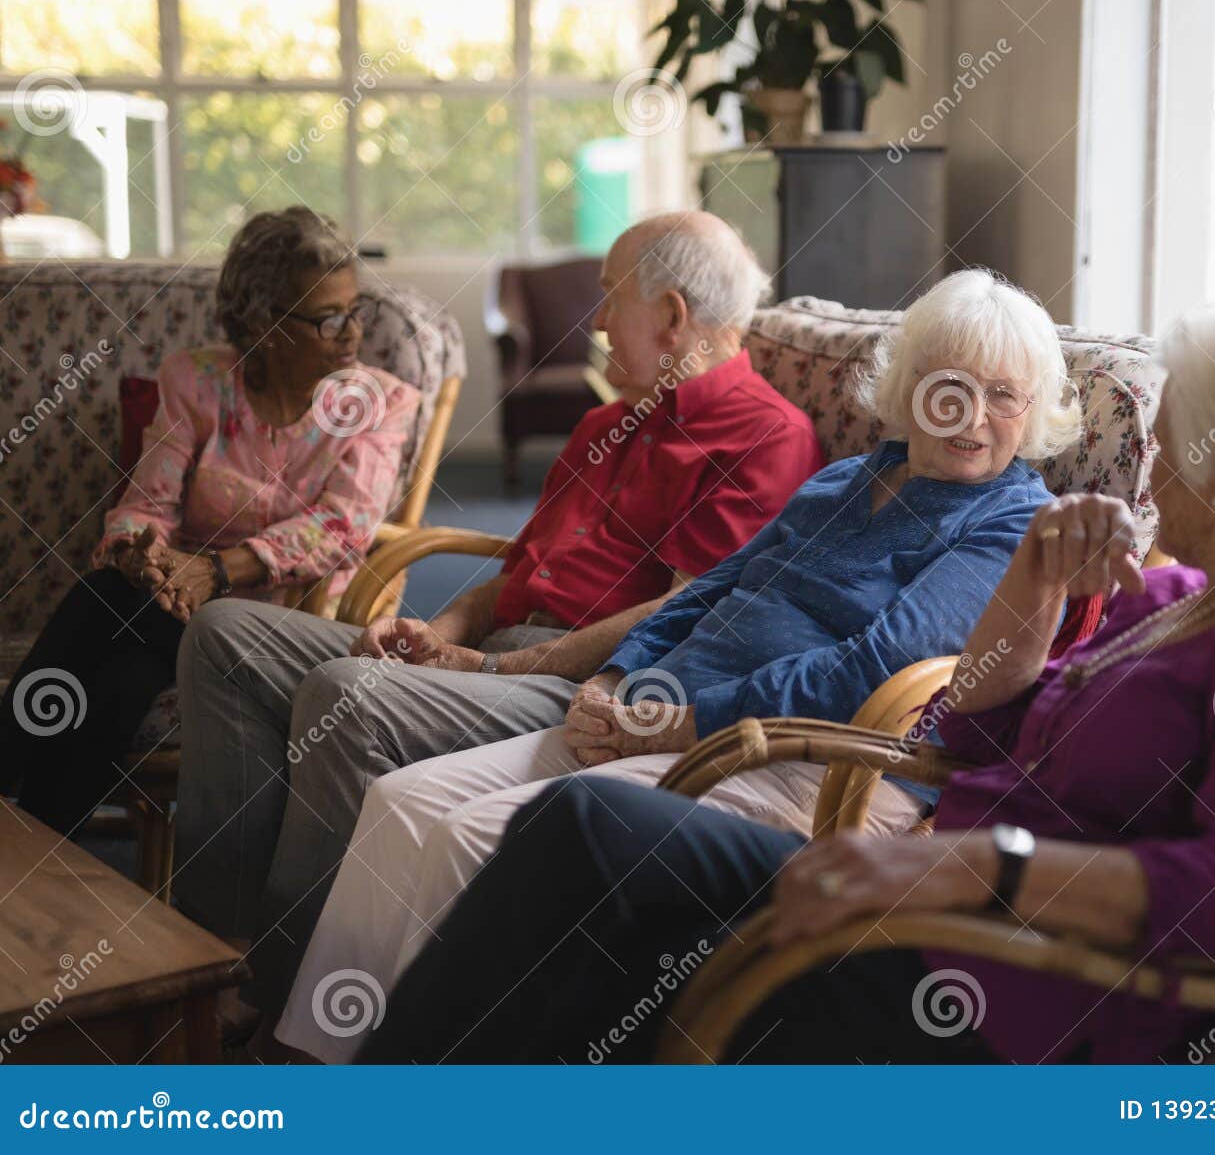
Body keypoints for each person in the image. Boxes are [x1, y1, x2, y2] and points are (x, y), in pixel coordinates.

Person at [357, 295, 1215, 1065]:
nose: (1148, 473)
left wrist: (980, 867)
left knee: (595, 866)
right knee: (580, 840)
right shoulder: (1179, 594)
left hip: (996, 975)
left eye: (1164, 450)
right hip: (923, 884)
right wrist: (1037, 573)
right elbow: (982, 725)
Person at [279, 267, 1080, 1062]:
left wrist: (680, 716)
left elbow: (870, 668)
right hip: (660, 720)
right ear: (910, 388)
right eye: (950, 386)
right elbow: (712, 586)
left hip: (799, 761)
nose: (972, 416)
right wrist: (615, 678)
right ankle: (316, 1059)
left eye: (1004, 395)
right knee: (403, 800)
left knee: (476, 835)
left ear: (1035, 408)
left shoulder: (1009, 521)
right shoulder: (848, 479)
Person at [173, 210, 823, 1033]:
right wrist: (439, 629)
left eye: (610, 299)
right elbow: (514, 573)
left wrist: (489, 668)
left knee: (352, 692)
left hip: (580, 685)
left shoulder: (766, 436)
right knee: (228, 632)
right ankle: (214, 946)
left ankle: (278, 992)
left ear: (671, 316)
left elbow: (681, 615)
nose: (593, 323)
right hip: (493, 655)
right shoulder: (603, 422)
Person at [0, 206, 417, 838]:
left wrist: (214, 572)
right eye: (328, 318)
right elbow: (148, 501)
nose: (352, 333)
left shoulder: (377, 403)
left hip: (284, 623)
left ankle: (19, 824)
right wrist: (138, 553)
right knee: (121, 659)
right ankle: (39, 851)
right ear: (267, 325)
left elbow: (341, 527)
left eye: (356, 311)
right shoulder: (197, 381)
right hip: (165, 604)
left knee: (106, 612)